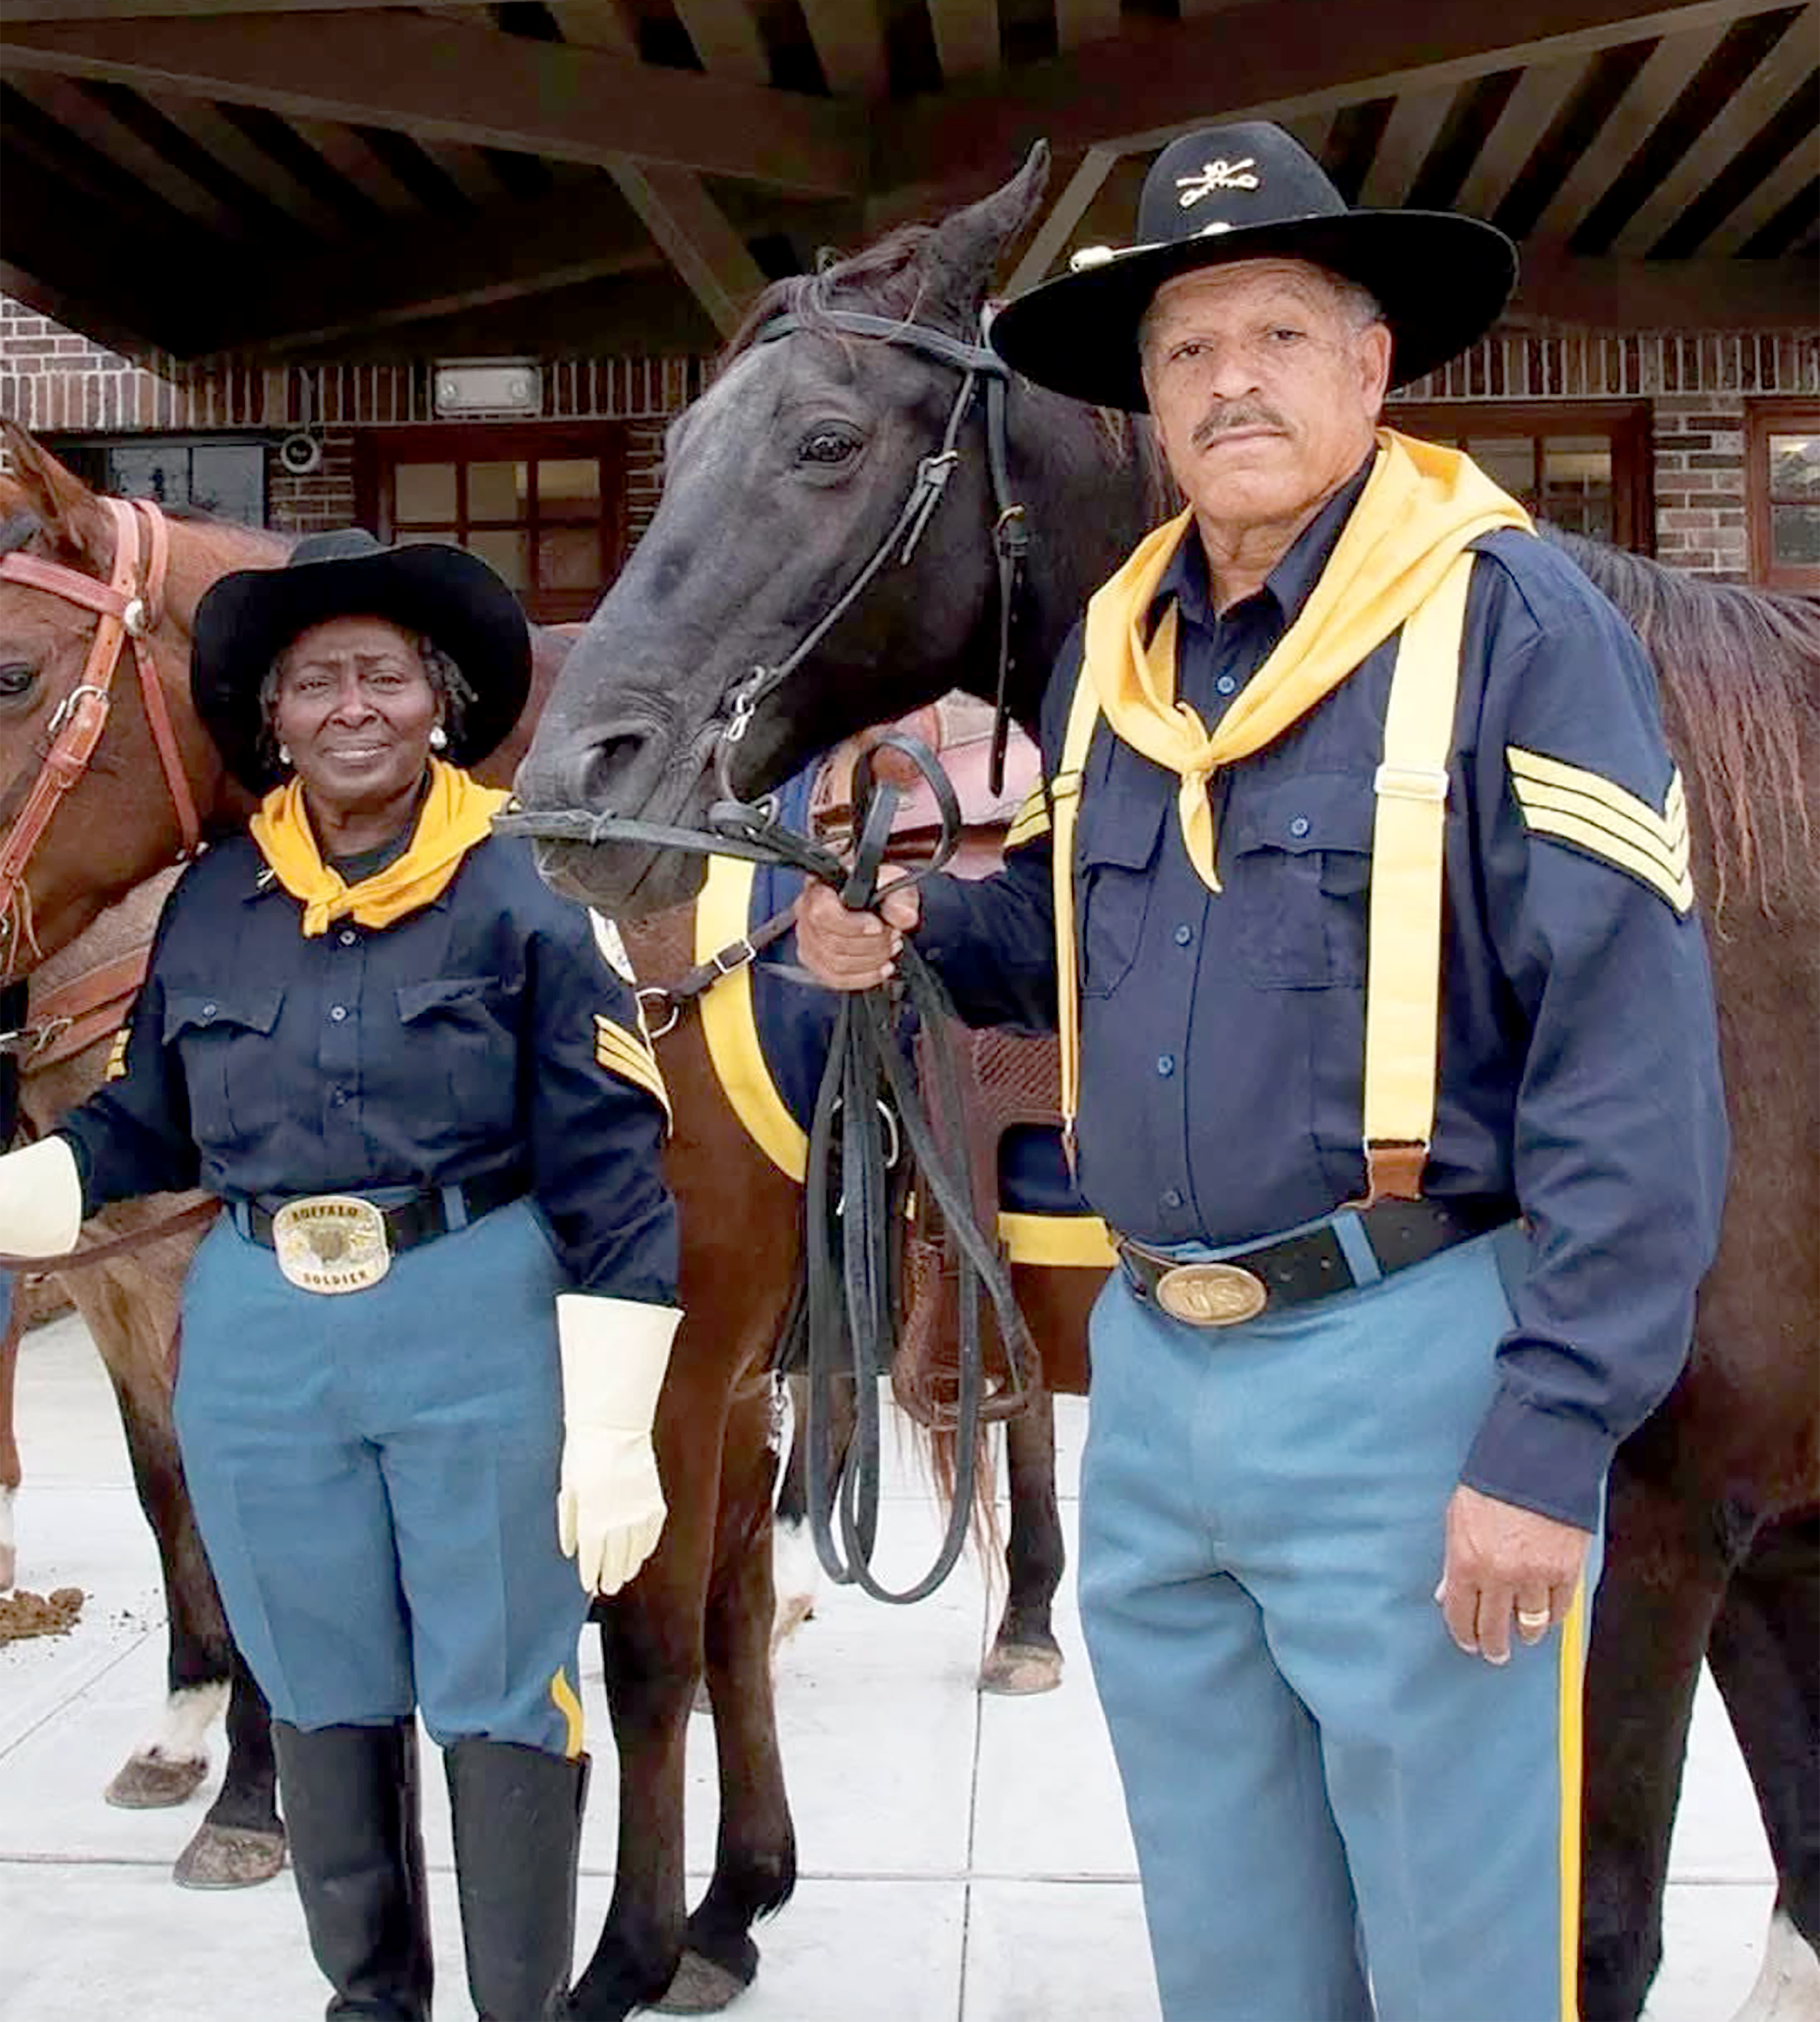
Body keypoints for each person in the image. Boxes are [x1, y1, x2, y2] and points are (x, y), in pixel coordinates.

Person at [796, 121, 1727, 2020]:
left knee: (1465, 1966)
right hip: (1156, 1379)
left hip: (1407, 1374)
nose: (1233, 380)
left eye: (1281, 333)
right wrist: (906, 932)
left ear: (1371, 368)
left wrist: (1548, 1440)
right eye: (1189, 347)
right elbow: (1079, 934)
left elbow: (1632, 1067)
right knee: (1232, 1957)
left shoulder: (1517, 627)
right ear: (1144, 400)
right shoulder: (1116, 658)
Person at [0, 529, 681, 2022]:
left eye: (383, 675)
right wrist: (27, 1191)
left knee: (504, 1691)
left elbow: (613, 1165)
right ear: (274, 720)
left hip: (473, 1312)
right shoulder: (215, 903)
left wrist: (617, 1423)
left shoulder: (527, 891)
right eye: (317, 684)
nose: (352, 706)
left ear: (439, 702)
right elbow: (143, 1122)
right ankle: (371, 2000)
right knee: (314, 1679)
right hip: (257, 1337)